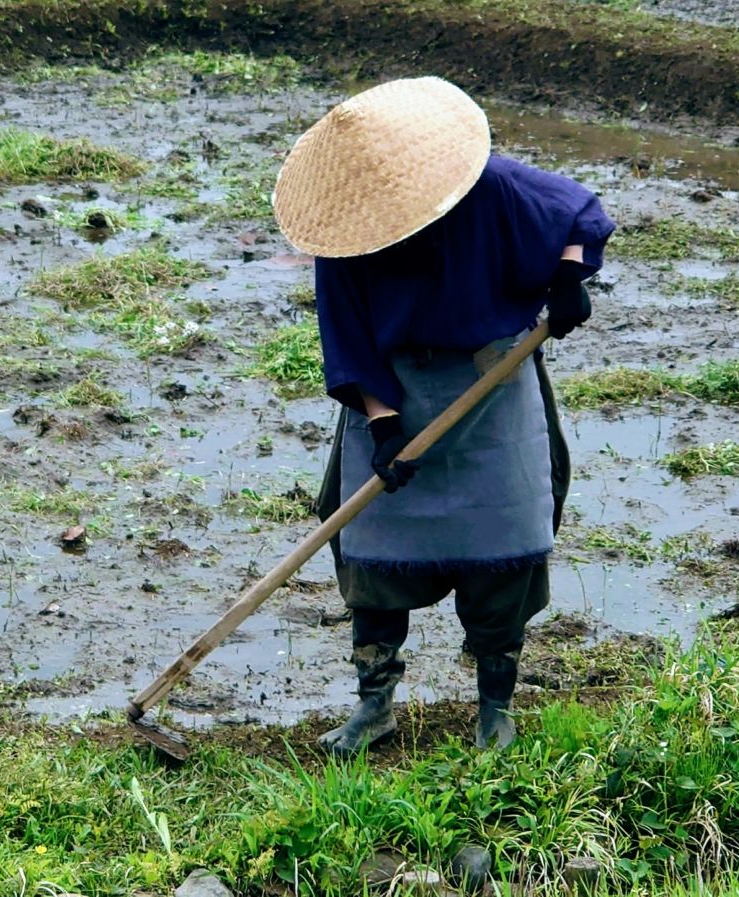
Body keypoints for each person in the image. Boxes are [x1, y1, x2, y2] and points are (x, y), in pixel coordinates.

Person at [271, 77, 614, 756]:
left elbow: (579, 213)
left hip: (494, 382)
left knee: (504, 551)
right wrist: (383, 423)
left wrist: (568, 279)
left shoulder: (488, 188)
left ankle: (496, 706)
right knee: (369, 549)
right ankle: (375, 705)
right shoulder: (348, 234)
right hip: (397, 388)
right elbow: (347, 335)